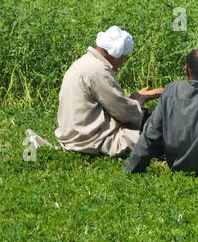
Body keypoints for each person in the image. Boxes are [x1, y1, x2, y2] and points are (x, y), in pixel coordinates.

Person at [123, 49, 198, 180]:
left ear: (187, 70)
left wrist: (132, 167)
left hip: (177, 166)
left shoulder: (171, 90)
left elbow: (151, 133)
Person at [55, 26, 161, 156]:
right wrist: (139, 100)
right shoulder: (98, 70)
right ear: (118, 55)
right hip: (89, 141)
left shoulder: (83, 62)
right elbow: (124, 113)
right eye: (124, 58)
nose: (122, 63)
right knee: (160, 135)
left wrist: (131, 100)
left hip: (73, 136)